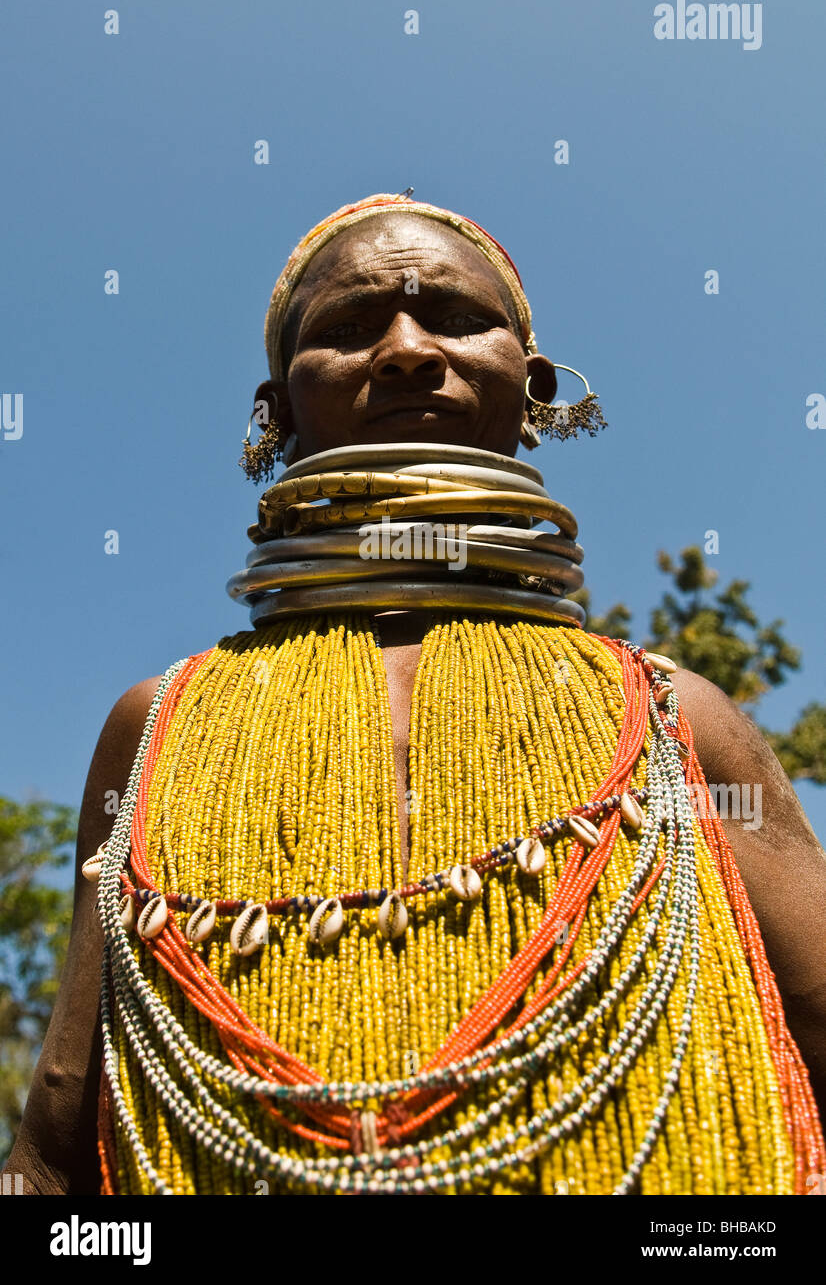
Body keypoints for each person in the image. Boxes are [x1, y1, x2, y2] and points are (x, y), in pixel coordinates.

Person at [7, 193, 826, 1196]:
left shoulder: (665, 715)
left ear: (530, 389)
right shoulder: (159, 722)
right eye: (349, 329)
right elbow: (58, 1118)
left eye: (451, 316)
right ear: (275, 412)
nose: (403, 348)